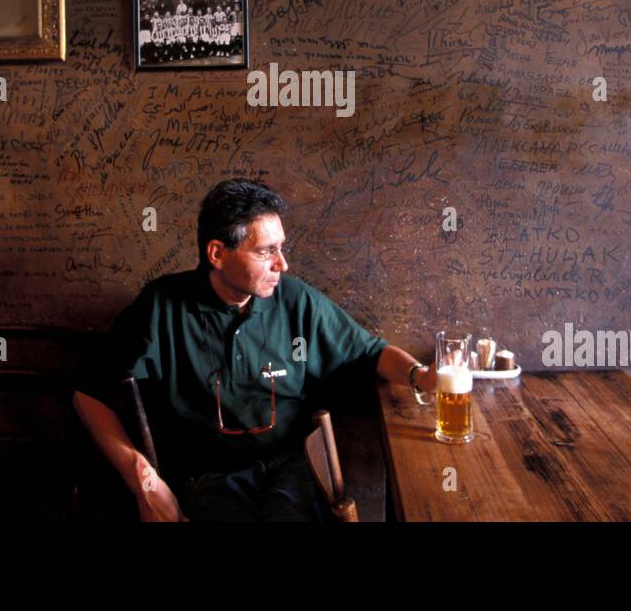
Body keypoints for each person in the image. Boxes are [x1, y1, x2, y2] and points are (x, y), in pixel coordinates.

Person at [73, 178, 437, 522]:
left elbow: (372, 353)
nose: (282, 264)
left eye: (281, 248)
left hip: (291, 469)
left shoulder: (296, 302)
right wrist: (143, 480)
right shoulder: (161, 307)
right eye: (266, 252)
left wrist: (419, 376)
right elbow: (89, 395)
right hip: (204, 479)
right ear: (217, 253)